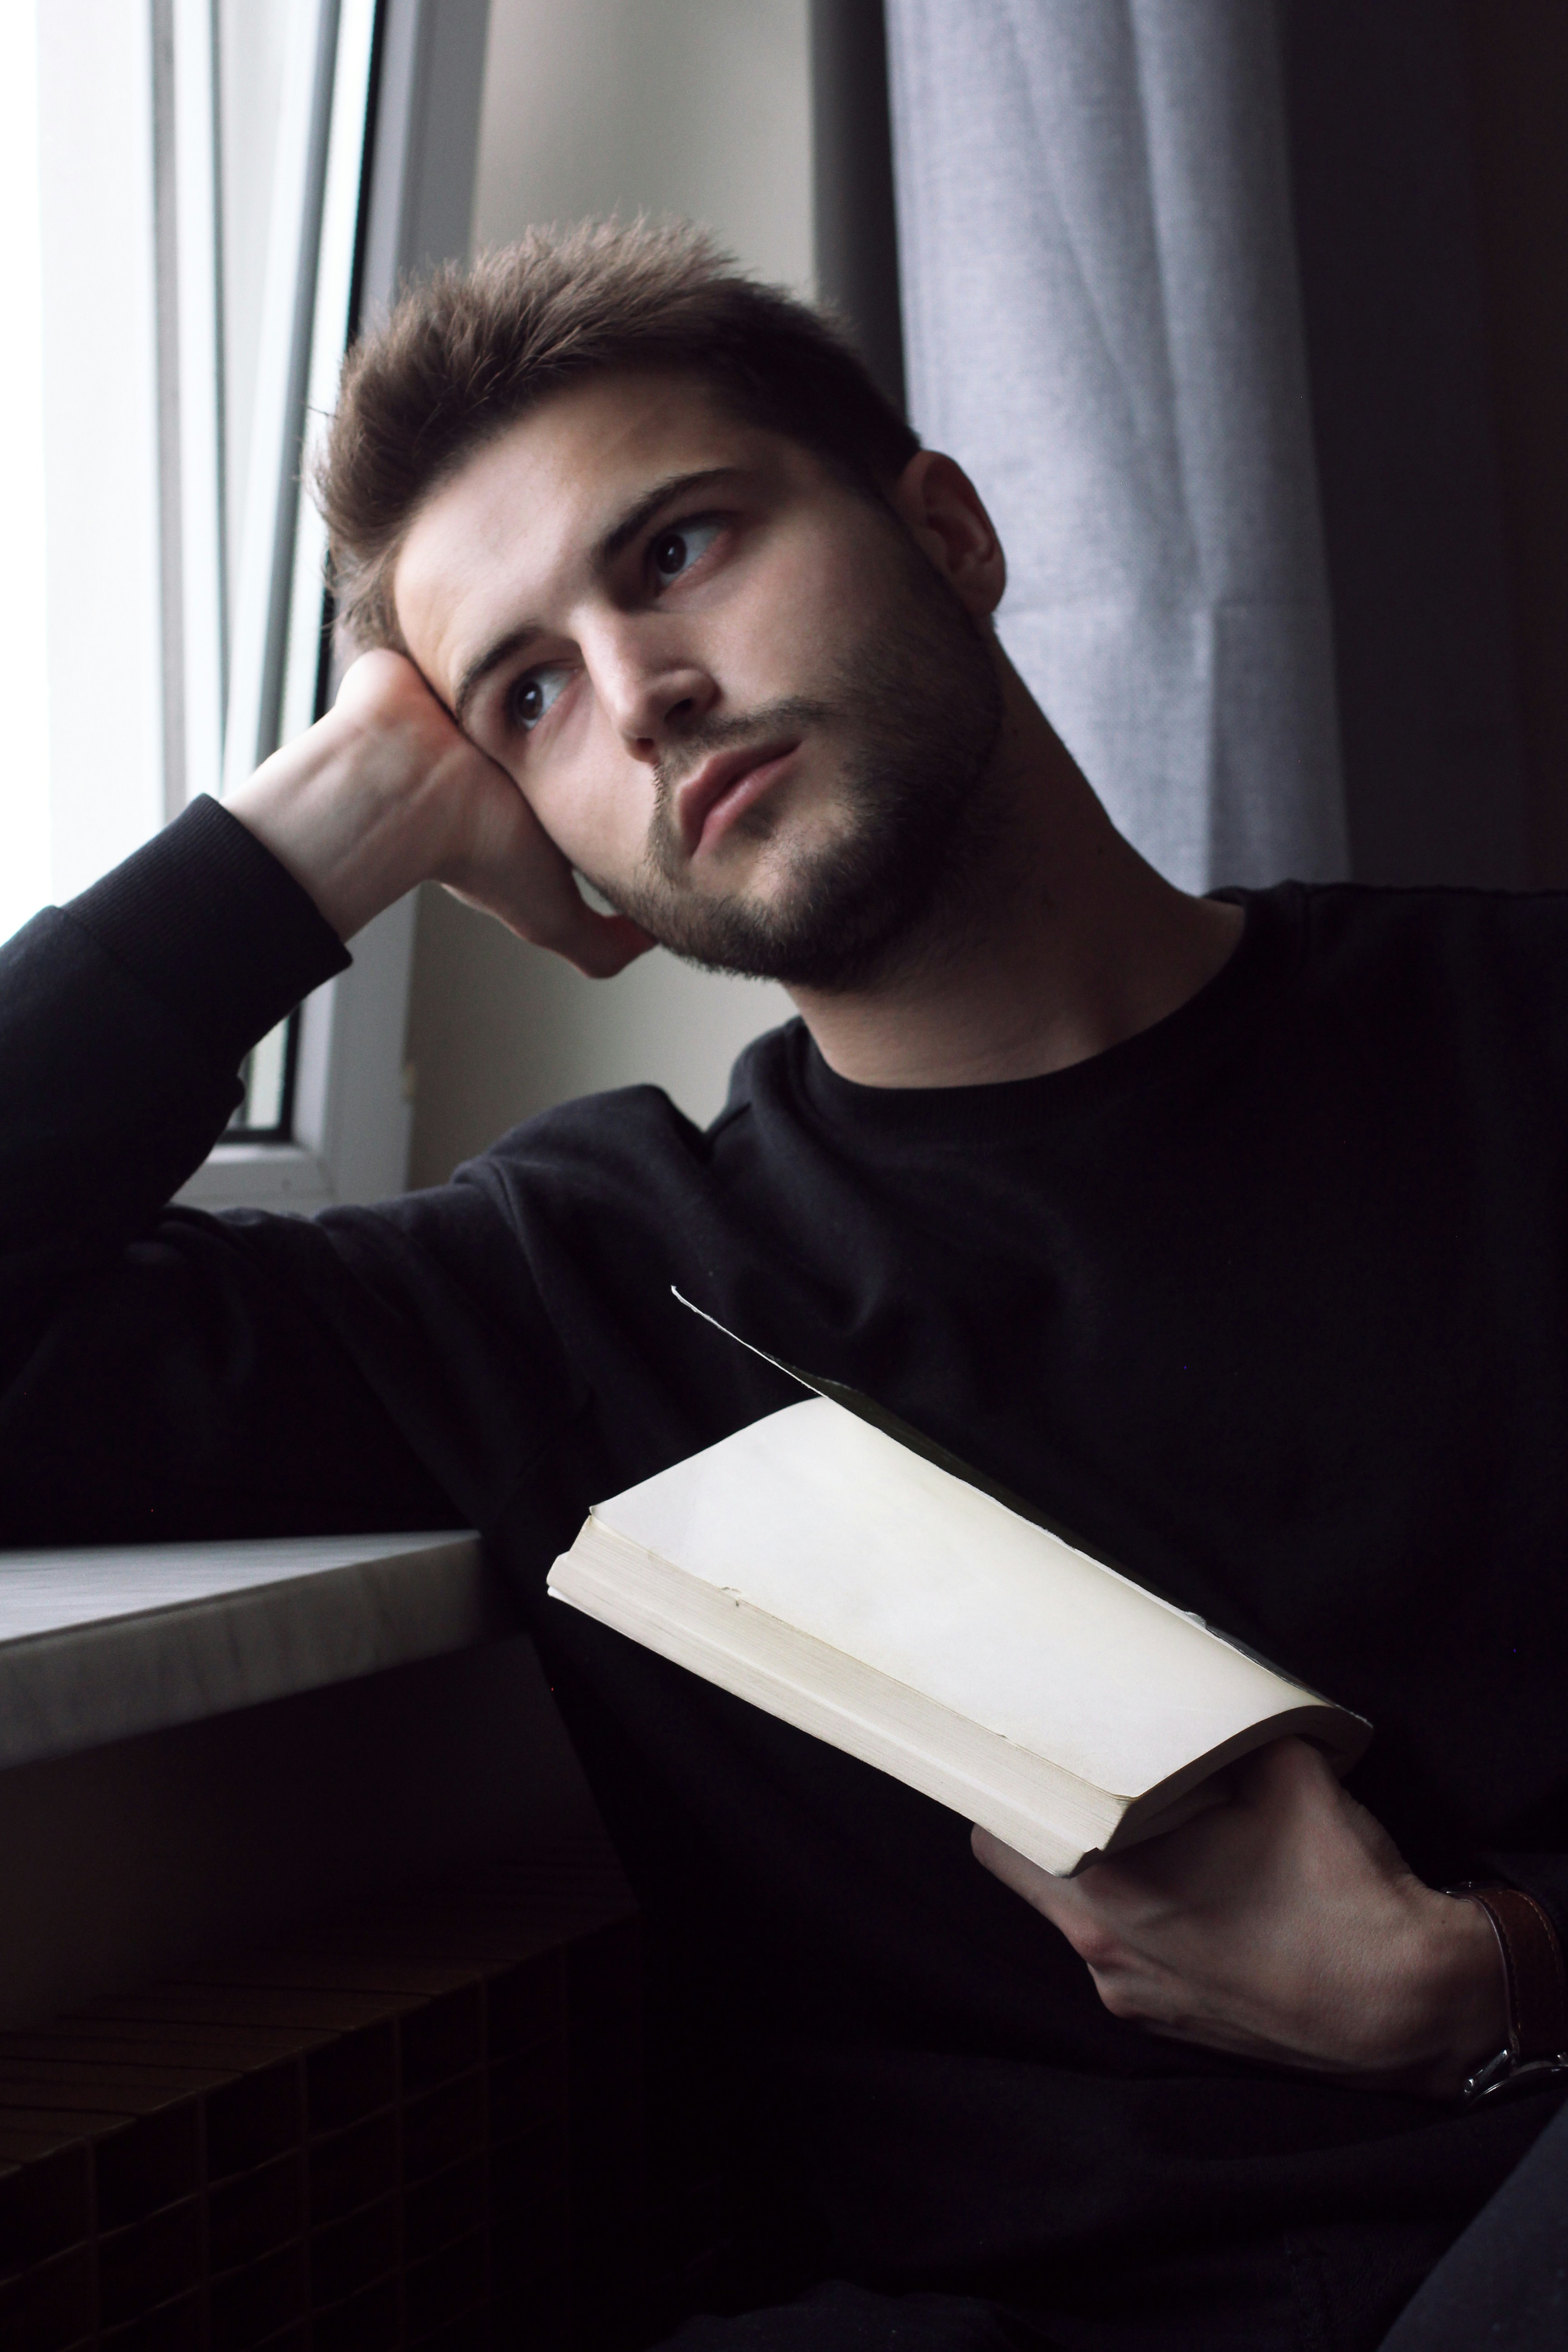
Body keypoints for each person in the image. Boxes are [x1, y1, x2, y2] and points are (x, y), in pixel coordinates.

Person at [3, 220, 1566, 2352]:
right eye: (525, 698)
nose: (641, 697)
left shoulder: (1518, 1032)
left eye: (677, 552)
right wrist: (324, 822)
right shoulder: (579, 1286)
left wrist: (1497, 1978)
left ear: (948, 530)